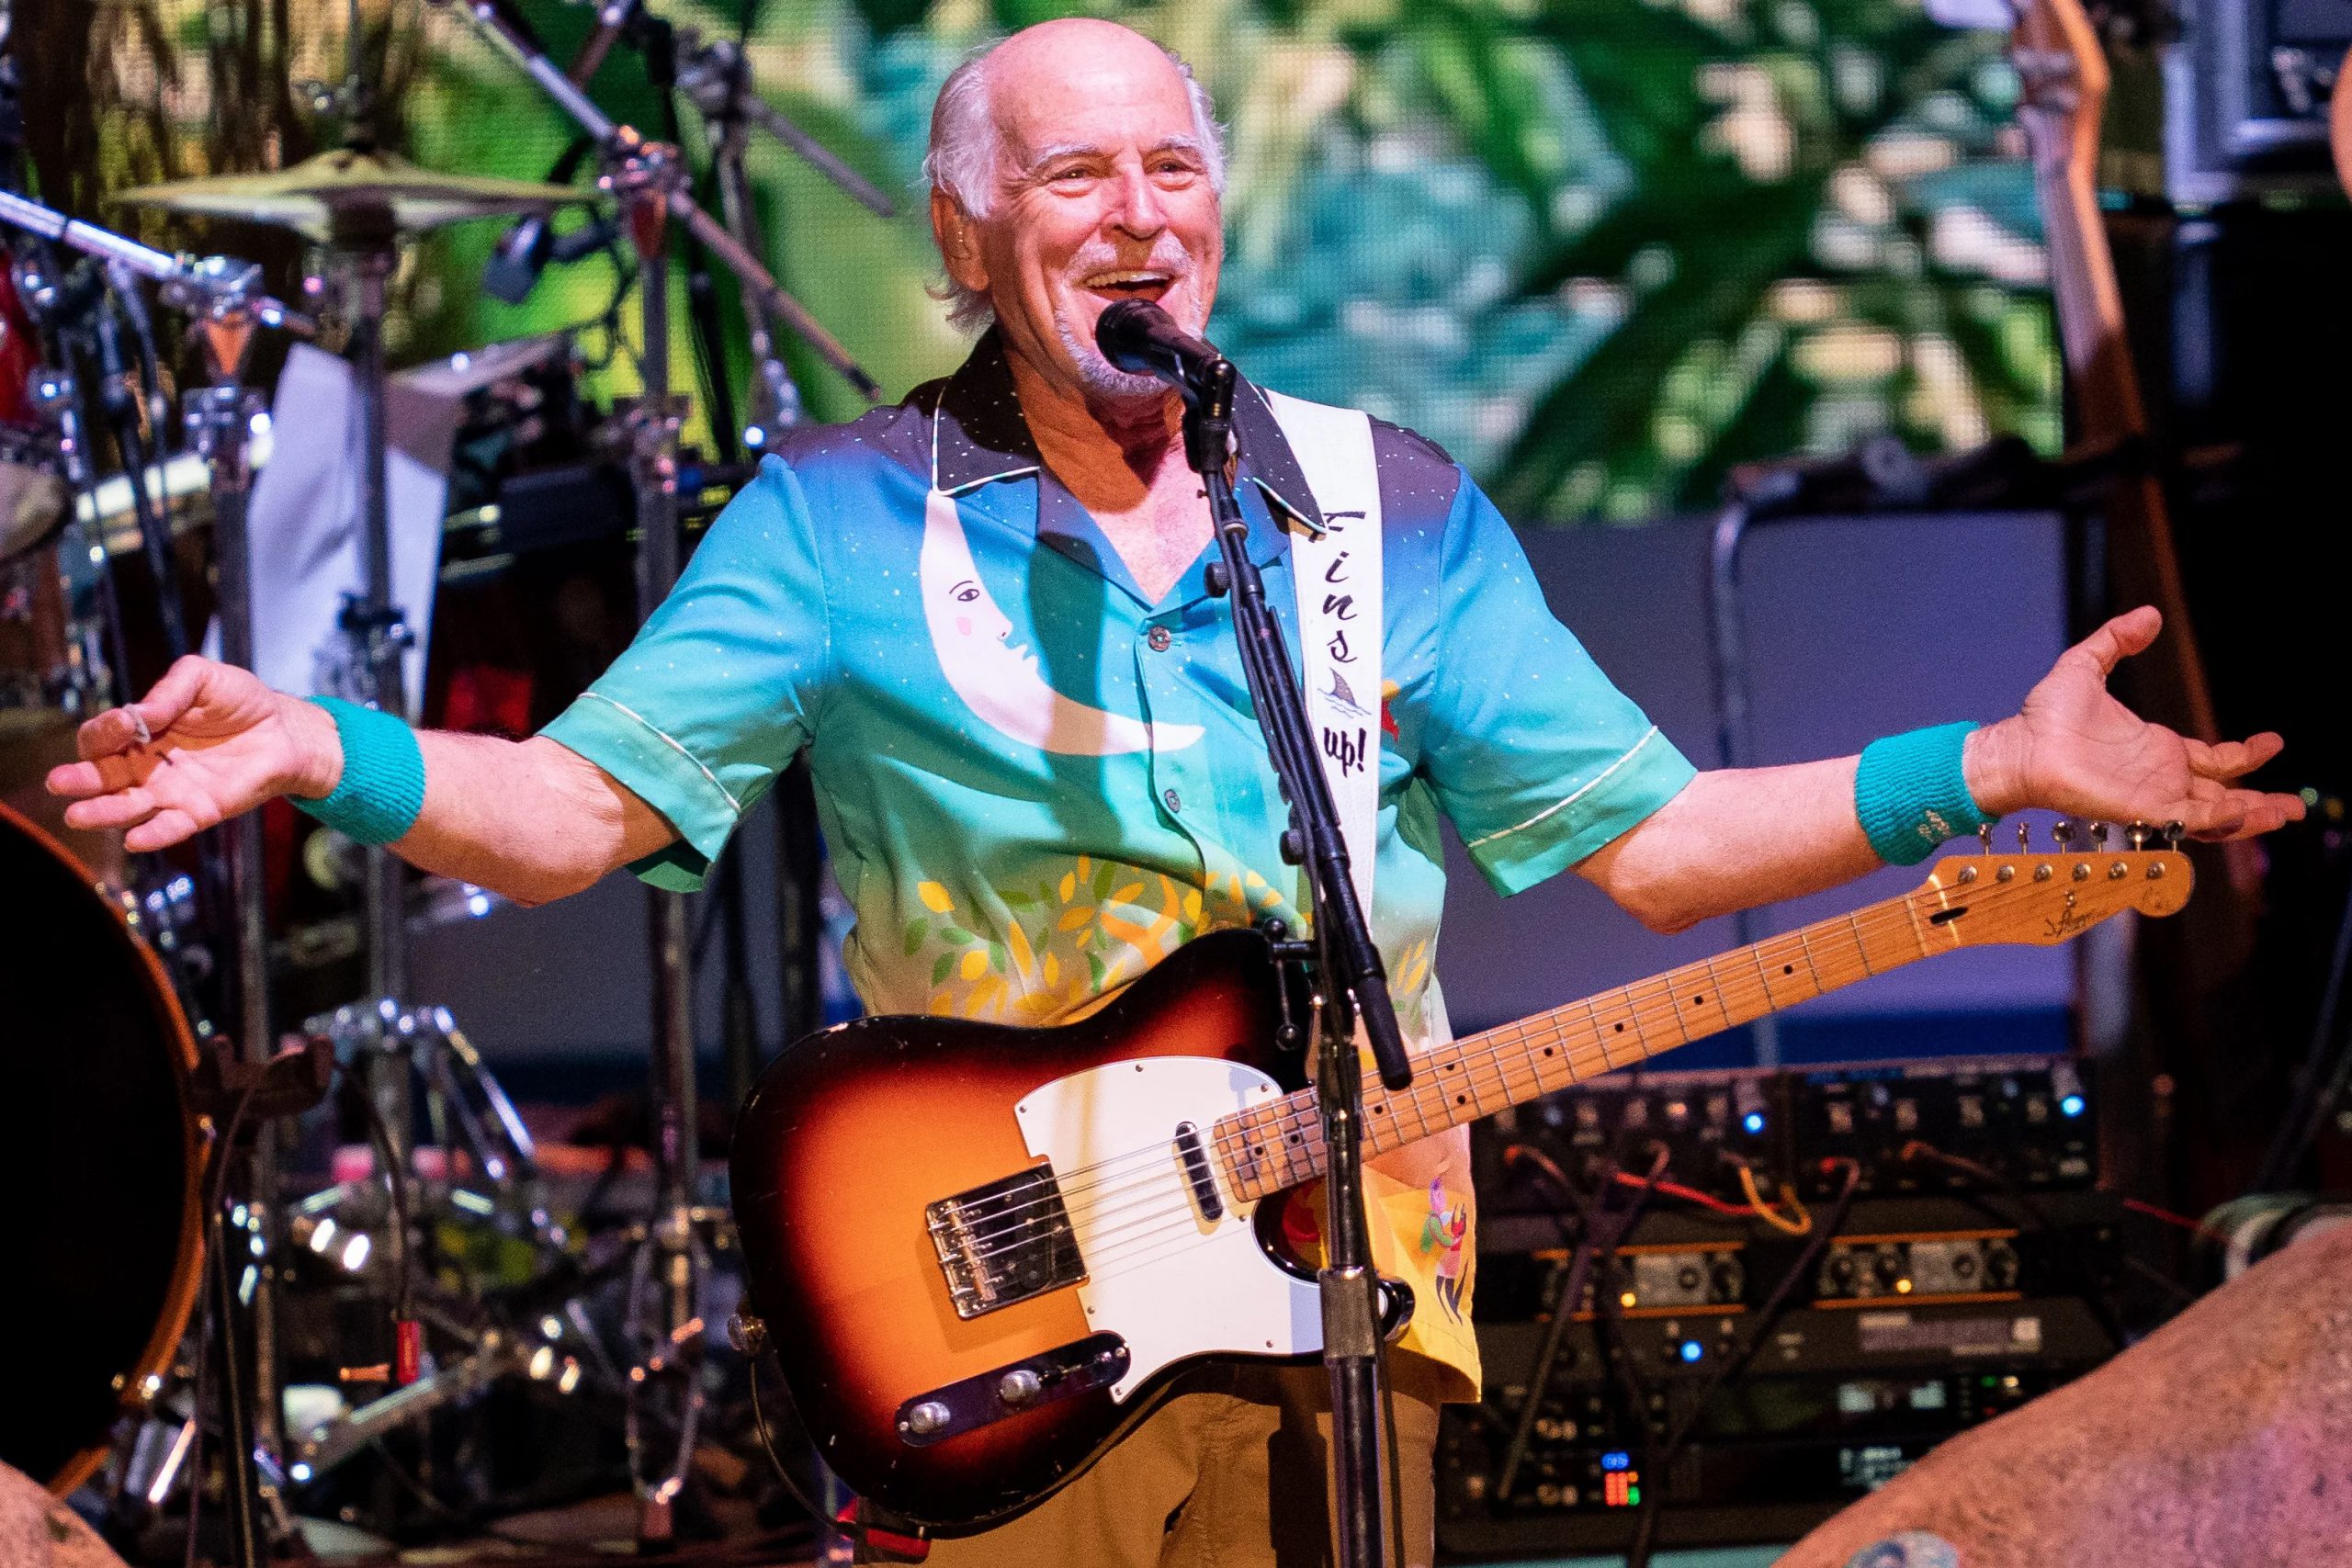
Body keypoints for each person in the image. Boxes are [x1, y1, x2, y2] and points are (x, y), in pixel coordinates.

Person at [48, 17, 2301, 1568]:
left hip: (1353, 1296)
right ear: (962, 237)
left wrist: (1979, 763)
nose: (1132, 214)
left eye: (1168, 168)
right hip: (1001, 1311)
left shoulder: (1369, 505)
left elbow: (1649, 843)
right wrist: (319, 745)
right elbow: (575, 807)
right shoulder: (839, 513)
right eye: (1067, 175)